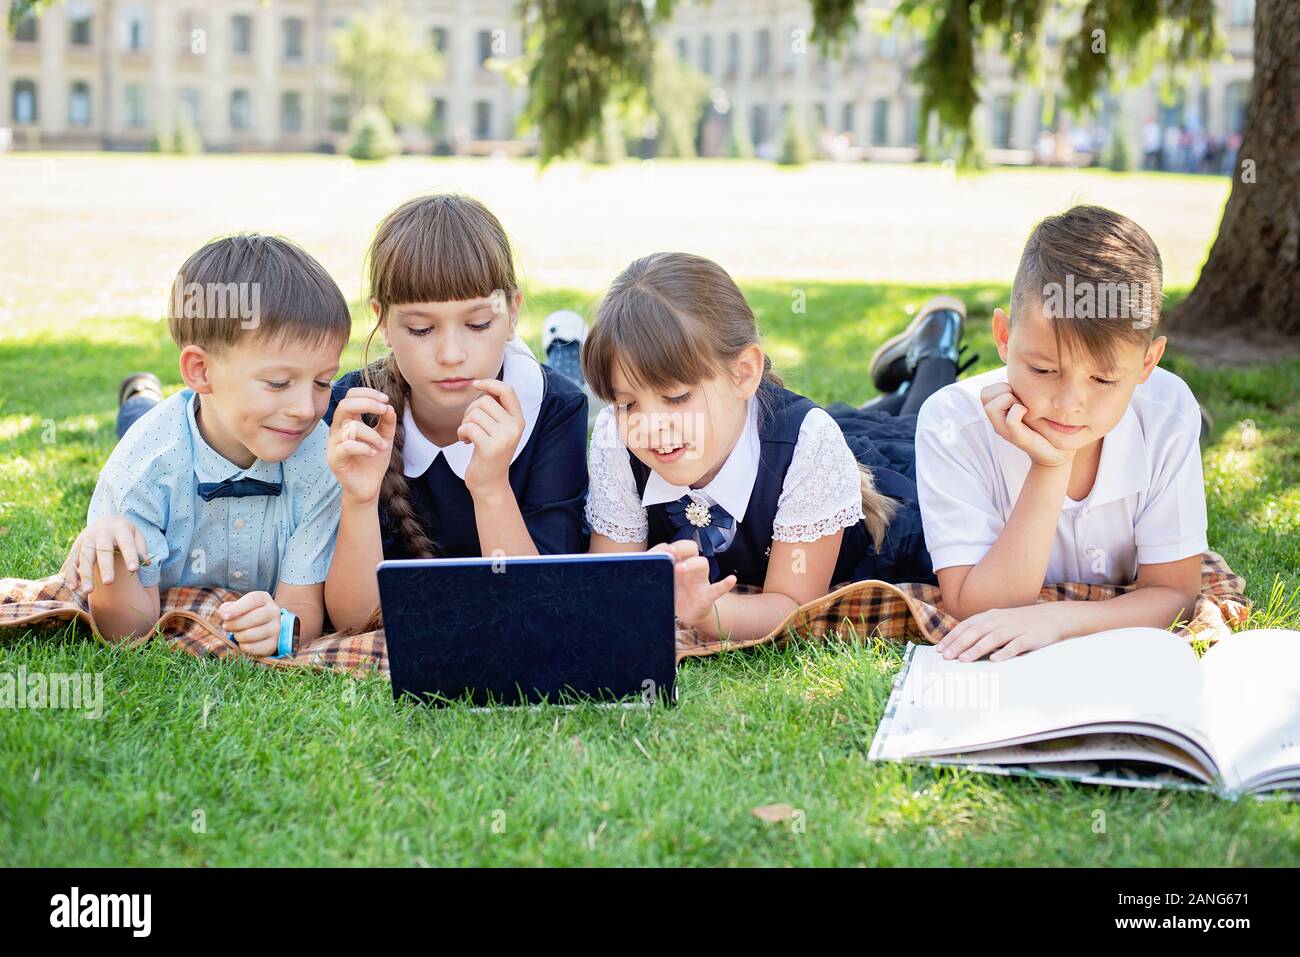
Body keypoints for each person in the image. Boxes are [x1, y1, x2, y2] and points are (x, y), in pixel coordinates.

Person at [581, 252, 963, 643]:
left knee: (926, 423)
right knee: (872, 421)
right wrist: (636, 588)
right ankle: (908, 379)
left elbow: (791, 606)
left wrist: (708, 614)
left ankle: (935, 350)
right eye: (628, 403)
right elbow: (611, 582)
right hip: (784, 430)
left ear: (744, 373)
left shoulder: (808, 447)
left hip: (877, 489)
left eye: (676, 397)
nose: (650, 426)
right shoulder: (618, 438)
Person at [916, 205, 1207, 663]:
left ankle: (934, 351)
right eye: (1043, 369)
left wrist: (1057, 619)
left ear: (1148, 363)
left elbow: (1175, 594)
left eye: (1104, 380)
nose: (1070, 403)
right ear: (1004, 337)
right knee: (879, 432)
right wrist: (1050, 466)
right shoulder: (950, 424)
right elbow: (975, 609)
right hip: (913, 455)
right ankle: (931, 354)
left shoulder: (1168, 411)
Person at [59, 235, 351, 654]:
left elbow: (302, 606)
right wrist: (116, 562)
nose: (306, 409)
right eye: (278, 383)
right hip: (161, 434)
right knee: (138, 422)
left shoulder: (321, 459)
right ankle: (140, 398)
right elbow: (127, 632)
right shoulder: (141, 465)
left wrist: (283, 627)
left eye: (323, 382)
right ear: (200, 371)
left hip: (201, 419)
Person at [322, 195, 588, 633]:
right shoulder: (352, 412)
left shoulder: (557, 410)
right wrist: (360, 500)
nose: (451, 355)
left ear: (512, 312)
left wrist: (490, 487)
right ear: (382, 322)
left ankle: (567, 353)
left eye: (478, 324)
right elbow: (355, 622)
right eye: (421, 329)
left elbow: (538, 610)